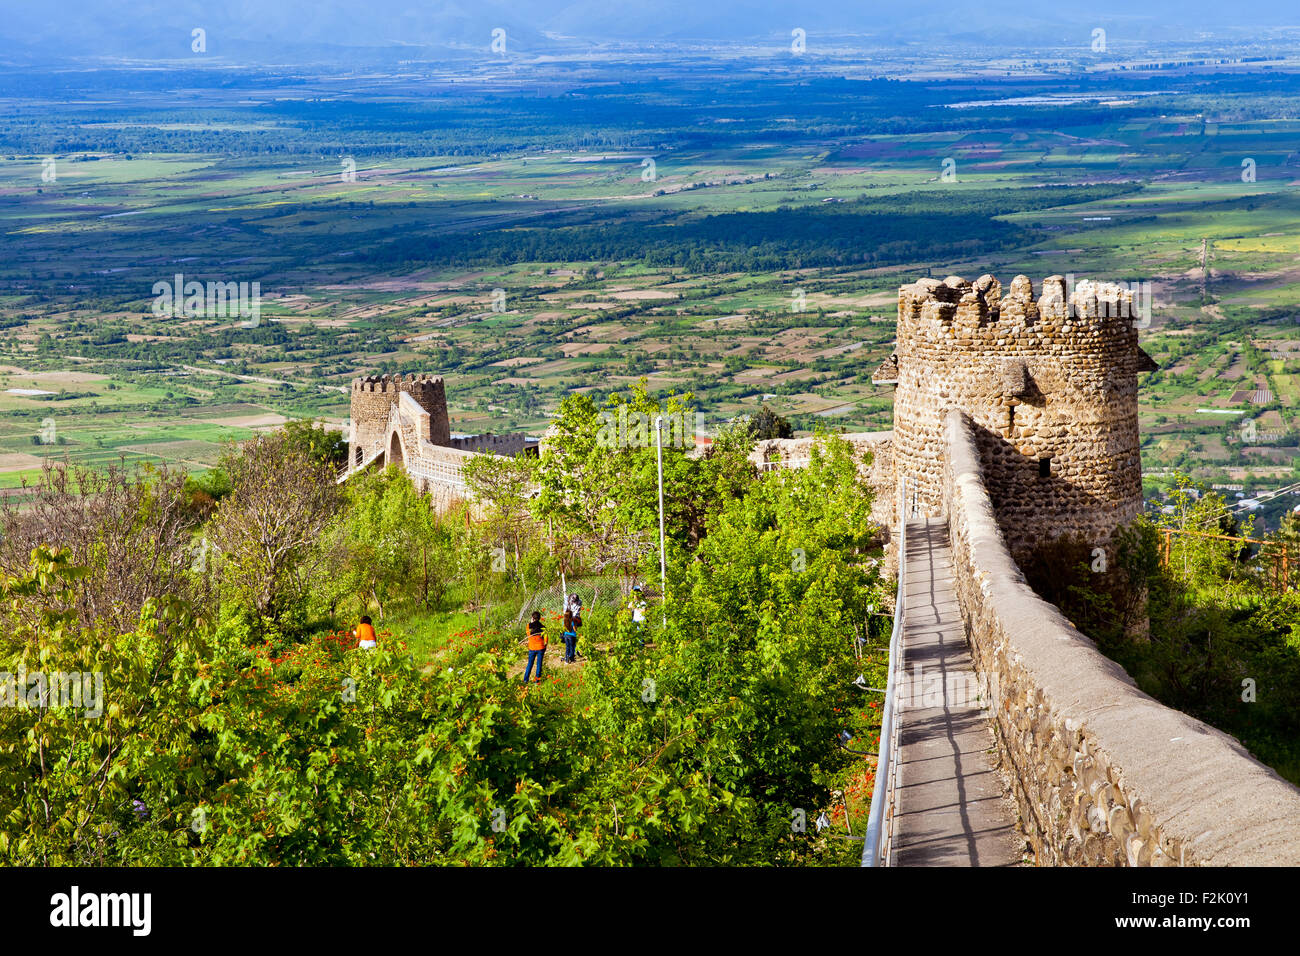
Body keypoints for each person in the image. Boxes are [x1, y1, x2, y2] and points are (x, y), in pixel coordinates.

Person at [523, 610, 547, 684]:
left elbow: (529, 636)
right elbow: (546, 640)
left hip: (532, 648)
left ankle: (525, 680)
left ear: (532, 618)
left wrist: (531, 622)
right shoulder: (543, 627)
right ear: (539, 618)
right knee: (539, 664)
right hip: (540, 647)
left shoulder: (528, 626)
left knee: (530, 663)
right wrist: (544, 646)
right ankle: (537, 681)